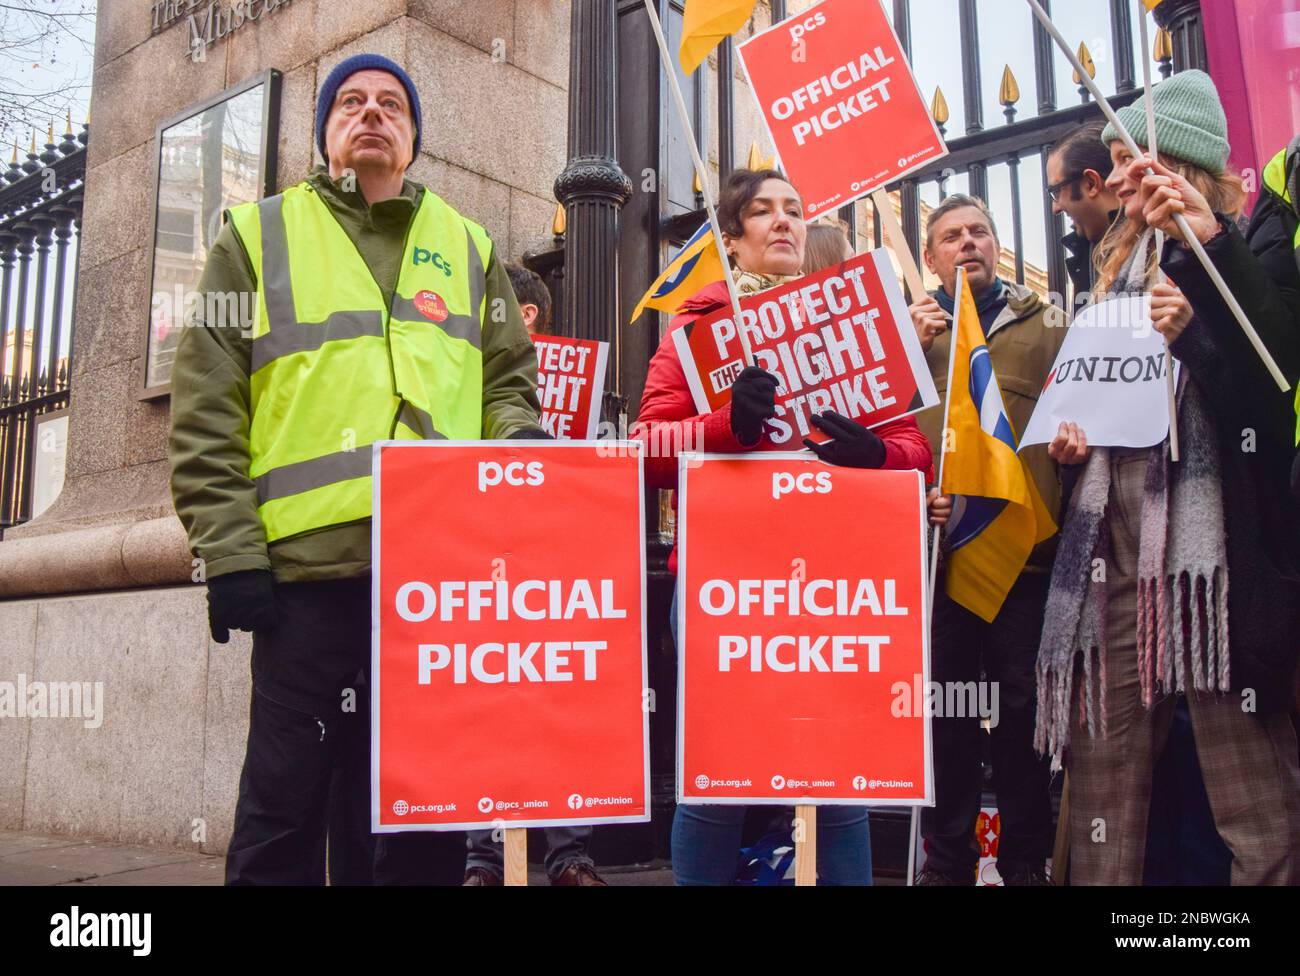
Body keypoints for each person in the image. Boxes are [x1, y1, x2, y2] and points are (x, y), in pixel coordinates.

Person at [169, 54, 546, 885]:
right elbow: (205, 411)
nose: (371, 114)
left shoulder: (467, 243)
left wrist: (518, 437)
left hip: (436, 584)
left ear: (412, 140)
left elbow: (506, 383)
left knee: (420, 823)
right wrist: (228, 552)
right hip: (304, 580)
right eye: (350, 103)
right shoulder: (256, 237)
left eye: (391, 106)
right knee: (283, 814)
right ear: (325, 134)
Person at [1035, 69, 1300, 885]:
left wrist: (1192, 325)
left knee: (1253, 801)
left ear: (1173, 162)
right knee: (1105, 783)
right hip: (1107, 551)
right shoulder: (1109, 266)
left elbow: (1269, 388)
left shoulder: (1246, 245)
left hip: (1208, 566)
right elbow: (1093, 401)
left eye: (1125, 156)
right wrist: (1069, 442)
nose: (1109, 177)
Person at [635, 169, 934, 885]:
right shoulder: (695, 332)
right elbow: (646, 451)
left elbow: (918, 455)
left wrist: (875, 453)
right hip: (723, 582)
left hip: (837, 583)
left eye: (795, 210)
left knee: (840, 775)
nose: (784, 222)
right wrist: (725, 427)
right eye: (762, 211)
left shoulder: (856, 327)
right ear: (732, 240)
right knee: (719, 772)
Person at [908, 194, 1067, 885]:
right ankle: (948, 862)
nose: (966, 243)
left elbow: (1084, 416)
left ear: (996, 247)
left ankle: (1026, 862)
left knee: (1020, 722)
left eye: (978, 232)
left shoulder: (1051, 324)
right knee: (945, 718)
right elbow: (881, 438)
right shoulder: (914, 332)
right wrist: (906, 349)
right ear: (930, 258)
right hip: (940, 564)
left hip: (1024, 561)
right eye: (950, 236)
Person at [461, 261, 606, 886]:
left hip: (551, 569)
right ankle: (485, 858)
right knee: (485, 707)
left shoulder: (564, 379)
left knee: (556, 704)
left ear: (522, 318)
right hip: (477, 561)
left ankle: (569, 855)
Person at [1046, 121, 1121, 304]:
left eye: (1056, 192)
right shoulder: (1088, 257)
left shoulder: (1158, 246)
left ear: (1091, 183)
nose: (1055, 208)